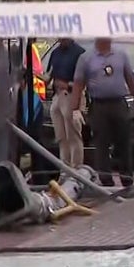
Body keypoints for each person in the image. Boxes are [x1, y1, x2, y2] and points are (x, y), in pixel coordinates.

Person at [71, 38, 134, 187]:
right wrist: (75, 109)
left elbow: (130, 79)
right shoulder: (86, 58)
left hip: (119, 103)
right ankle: (106, 179)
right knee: (101, 143)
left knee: (124, 142)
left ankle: (127, 178)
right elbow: (78, 83)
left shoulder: (121, 55)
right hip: (98, 105)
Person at [42, 38, 86, 170]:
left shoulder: (79, 53)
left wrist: (68, 85)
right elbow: (49, 75)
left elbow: (84, 80)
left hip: (71, 95)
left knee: (73, 136)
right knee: (61, 137)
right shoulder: (55, 53)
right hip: (57, 96)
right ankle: (65, 170)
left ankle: (76, 170)